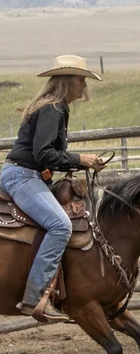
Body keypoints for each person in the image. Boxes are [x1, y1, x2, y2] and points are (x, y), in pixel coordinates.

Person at [2, 56, 107, 322]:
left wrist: (78, 161)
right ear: (67, 81)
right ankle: (35, 296)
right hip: (23, 177)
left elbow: (47, 154)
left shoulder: (56, 108)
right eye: (80, 78)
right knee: (61, 226)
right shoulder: (53, 109)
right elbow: (44, 152)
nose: (84, 84)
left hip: (26, 175)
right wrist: (80, 159)